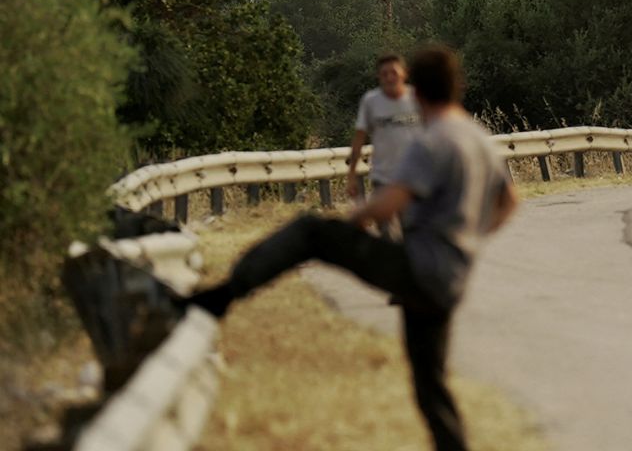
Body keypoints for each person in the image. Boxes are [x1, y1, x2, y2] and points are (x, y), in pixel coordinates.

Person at [187, 45, 517, 451]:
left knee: (311, 231)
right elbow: (509, 201)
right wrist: (469, 238)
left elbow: (388, 204)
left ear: (416, 91)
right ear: (457, 86)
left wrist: (347, 223)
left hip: (418, 269)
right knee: (430, 385)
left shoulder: (432, 140)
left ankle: (220, 298)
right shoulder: (477, 137)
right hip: (451, 278)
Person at [347, 53, 422, 234]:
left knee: (413, 233)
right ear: (378, 77)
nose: (389, 78)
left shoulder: (417, 98)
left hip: (412, 180)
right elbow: (359, 137)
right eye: (384, 74)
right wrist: (351, 175)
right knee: (386, 234)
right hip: (383, 179)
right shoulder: (371, 101)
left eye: (393, 73)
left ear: (404, 73)